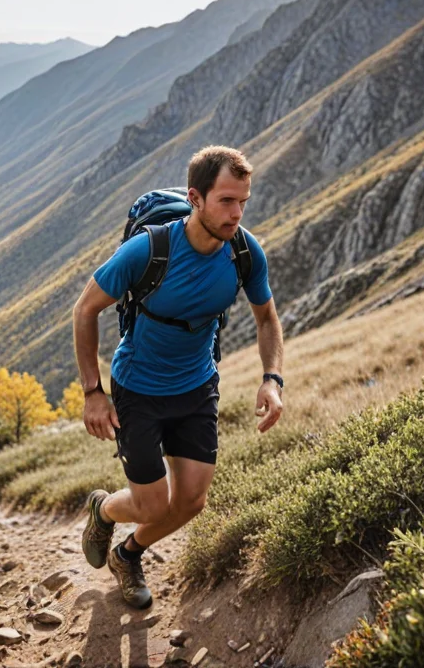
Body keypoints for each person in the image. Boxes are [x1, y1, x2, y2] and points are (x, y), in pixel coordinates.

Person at [72, 146, 285, 609]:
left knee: (189, 502)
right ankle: (104, 508)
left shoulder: (245, 253)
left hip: (197, 387)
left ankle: (128, 555)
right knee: (152, 504)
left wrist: (272, 379)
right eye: (227, 201)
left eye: (243, 201)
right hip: (139, 390)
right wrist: (93, 392)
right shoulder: (149, 250)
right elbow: (85, 309)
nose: (237, 213)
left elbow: (267, 318)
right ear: (195, 197)